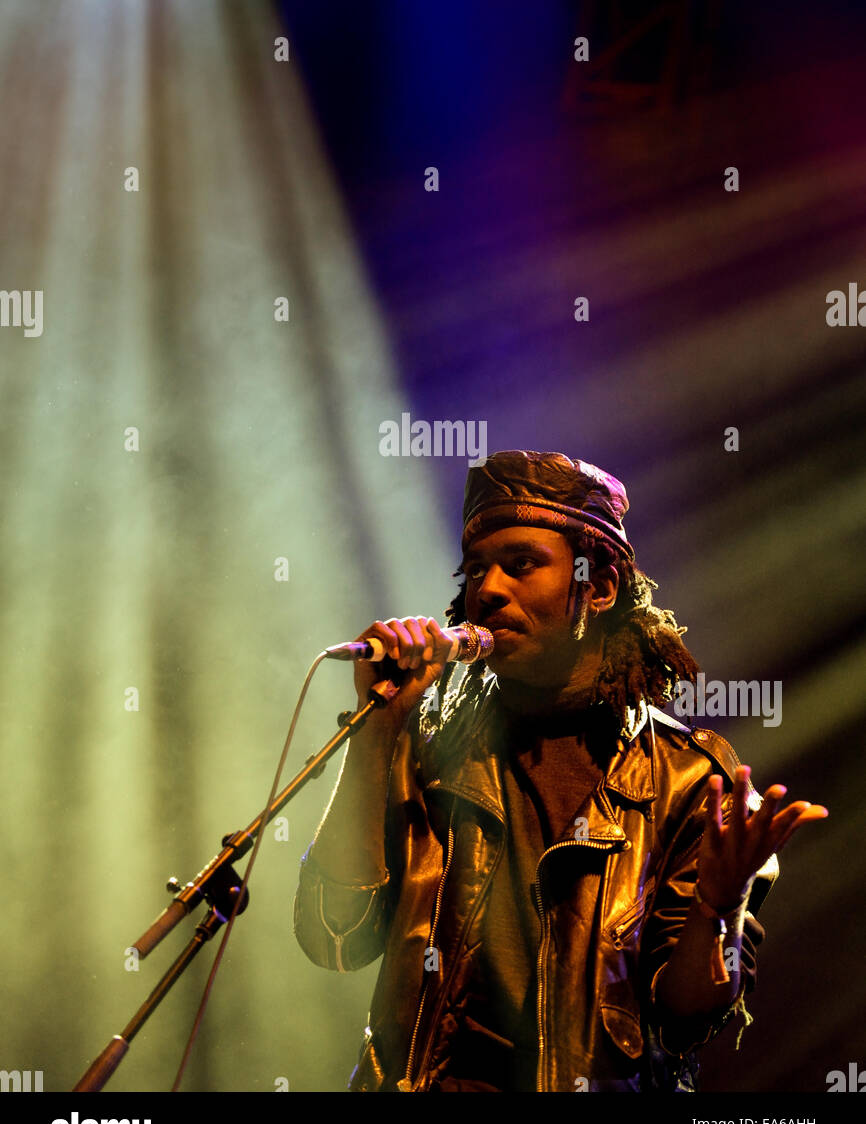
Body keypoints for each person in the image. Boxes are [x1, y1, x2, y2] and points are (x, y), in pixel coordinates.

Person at [293, 450, 827, 1091]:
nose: (487, 590)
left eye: (521, 566)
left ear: (597, 587)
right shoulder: (426, 745)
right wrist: (376, 726)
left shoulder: (688, 779)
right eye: (476, 573)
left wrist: (721, 903)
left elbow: (685, 1022)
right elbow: (332, 938)